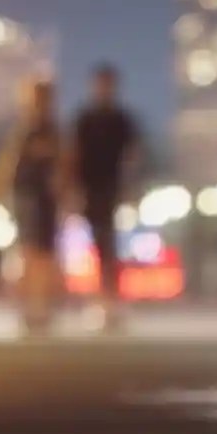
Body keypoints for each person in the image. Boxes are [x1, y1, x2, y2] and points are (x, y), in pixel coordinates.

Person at [70, 62, 140, 332]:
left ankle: (111, 299)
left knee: (109, 245)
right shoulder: (85, 120)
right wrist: (74, 190)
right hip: (90, 190)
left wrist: (129, 187)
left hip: (112, 189)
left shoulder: (122, 120)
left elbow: (133, 156)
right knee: (99, 245)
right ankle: (103, 298)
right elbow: (74, 156)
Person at [0, 77, 63, 335]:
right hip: (25, 198)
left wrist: (64, 189)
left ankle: (41, 305)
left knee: (43, 254)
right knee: (29, 252)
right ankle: (31, 306)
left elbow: (63, 164)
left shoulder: (52, 131)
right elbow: (8, 165)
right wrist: (1, 192)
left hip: (45, 200)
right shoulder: (23, 131)